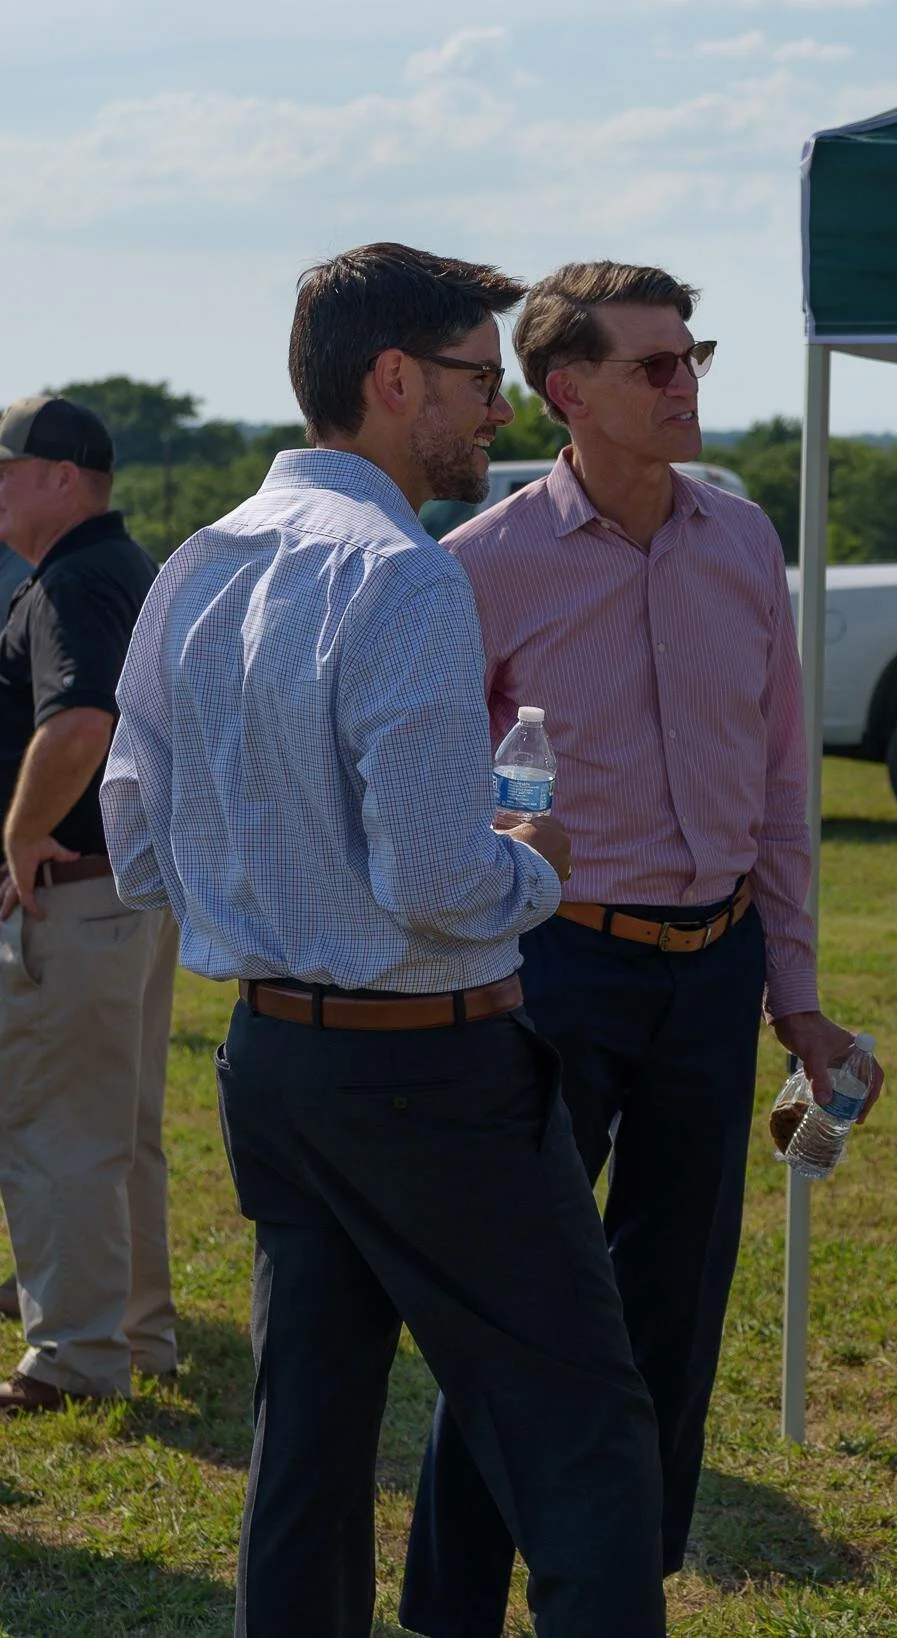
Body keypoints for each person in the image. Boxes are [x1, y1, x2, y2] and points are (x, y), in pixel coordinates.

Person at [101, 242, 667, 1637]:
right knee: (585, 1433)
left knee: (309, 1436)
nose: (503, 410)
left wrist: (268, 896)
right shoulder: (404, 576)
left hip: (276, 1065)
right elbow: (432, 878)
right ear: (394, 378)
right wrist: (528, 869)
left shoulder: (202, 560)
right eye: (481, 379)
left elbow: (132, 821)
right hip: (430, 1067)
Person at [402, 260, 876, 1637]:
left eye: (693, 356)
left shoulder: (741, 540)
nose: (685, 386)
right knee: (525, 1310)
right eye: (654, 365)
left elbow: (785, 785)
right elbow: (426, 789)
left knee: (674, 1303)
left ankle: (621, 1587)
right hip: (550, 967)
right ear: (566, 392)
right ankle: (452, 1607)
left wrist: (796, 999)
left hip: (712, 967)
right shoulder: (476, 569)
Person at [0, 396, 176, 1414]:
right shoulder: (115, 566)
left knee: (56, 1131)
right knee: (118, 1129)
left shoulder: (73, 578)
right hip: (123, 892)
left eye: (7, 466)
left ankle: (72, 1354)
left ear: (61, 477)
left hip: (74, 892)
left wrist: (20, 834)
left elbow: (79, 726)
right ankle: (133, 1335)